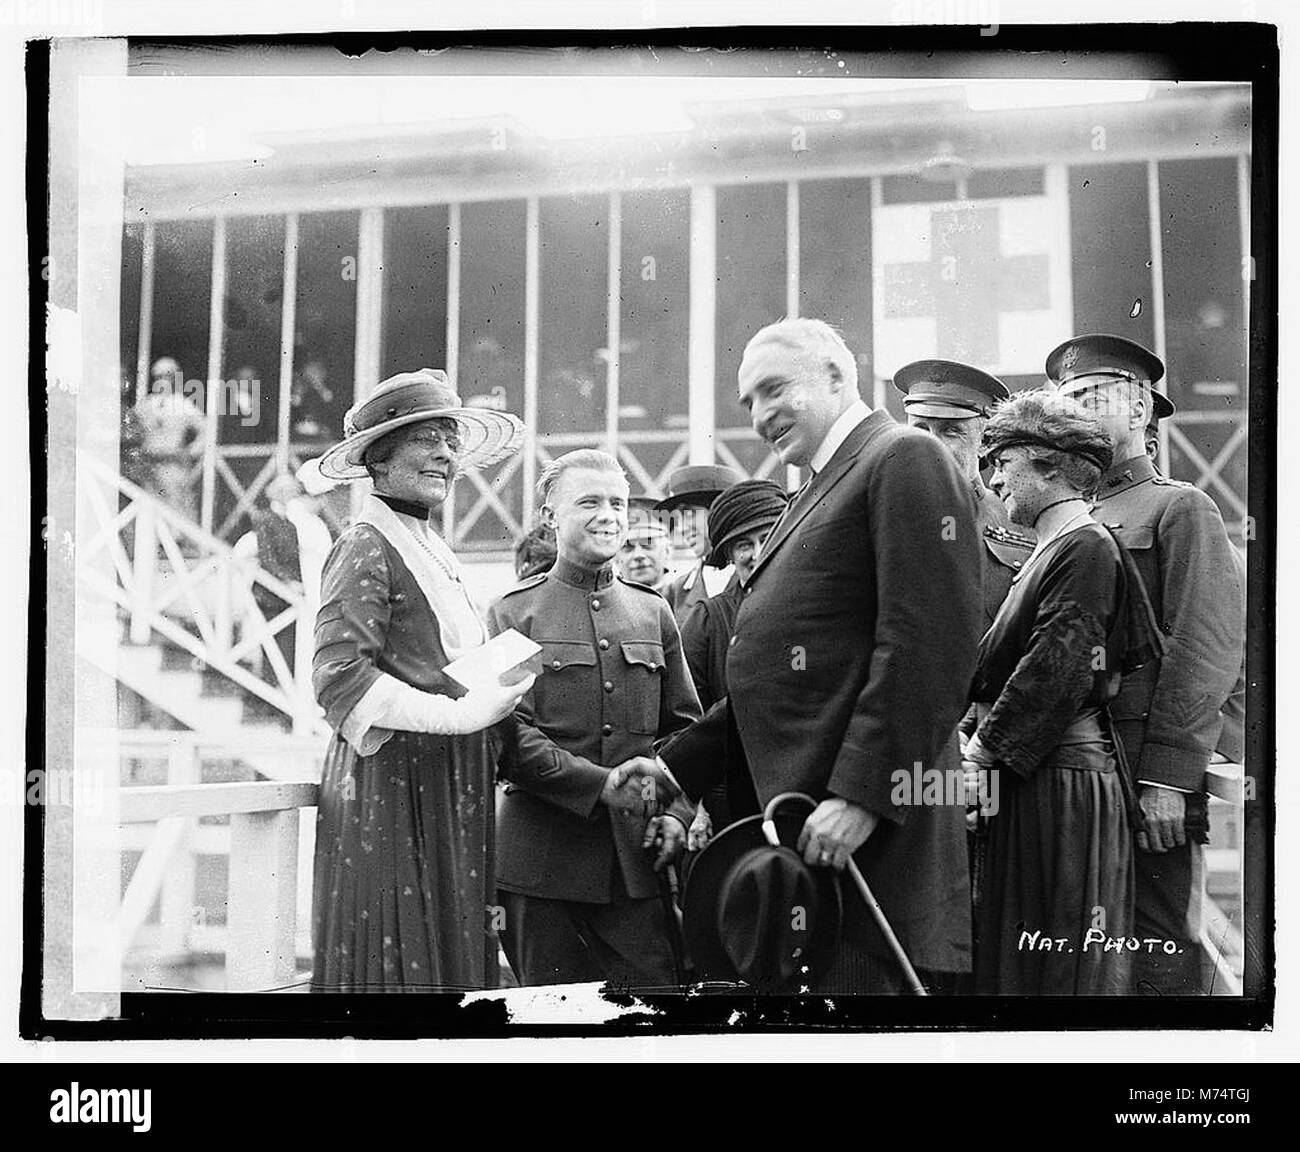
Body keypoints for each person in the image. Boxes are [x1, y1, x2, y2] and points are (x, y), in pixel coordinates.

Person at [640, 318, 982, 994]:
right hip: (812, 845)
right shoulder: (820, 486)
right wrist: (673, 768)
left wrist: (864, 797)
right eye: (749, 402)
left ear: (834, 375)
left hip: (868, 854)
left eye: (774, 390)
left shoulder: (902, 457)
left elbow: (930, 648)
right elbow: (787, 676)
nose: (759, 416)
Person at [309, 368, 530, 992]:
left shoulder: (431, 546)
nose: (445, 455)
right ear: (378, 458)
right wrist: (456, 716)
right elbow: (338, 675)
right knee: (401, 965)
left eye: (451, 442)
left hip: (449, 783)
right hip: (394, 788)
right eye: (426, 439)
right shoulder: (364, 544)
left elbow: (441, 661)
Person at [1048, 334, 1244, 996]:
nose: (1074, 412)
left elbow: (1203, 650)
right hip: (1074, 770)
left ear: (1139, 411)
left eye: (1090, 397)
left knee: (1158, 955)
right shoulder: (1067, 516)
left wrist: (1168, 777)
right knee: (1078, 950)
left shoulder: (1179, 508)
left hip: (1142, 771)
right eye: (1066, 401)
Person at [964, 389, 1163, 995]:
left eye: (1004, 462)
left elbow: (1057, 666)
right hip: (1041, 776)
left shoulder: (1084, 546)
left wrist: (979, 759)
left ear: (1048, 465)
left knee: (1057, 979)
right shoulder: (1058, 547)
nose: (994, 479)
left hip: (1060, 785)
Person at [486, 450, 701, 990]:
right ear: (550, 516)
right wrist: (599, 785)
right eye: (589, 503)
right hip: (540, 867)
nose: (608, 515)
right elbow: (507, 734)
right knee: (551, 1020)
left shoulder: (653, 610)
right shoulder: (512, 612)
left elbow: (684, 731)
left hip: (637, 864)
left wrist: (677, 815)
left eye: (617, 504)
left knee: (655, 1009)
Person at [678, 479, 787, 843]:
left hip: (804, 802)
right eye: (743, 544)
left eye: (768, 537)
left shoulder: (818, 608)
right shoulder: (708, 620)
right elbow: (685, 719)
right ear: (729, 554)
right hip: (730, 807)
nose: (757, 553)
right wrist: (695, 806)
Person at [893, 359, 1036, 631]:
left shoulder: (1019, 520)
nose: (932, 444)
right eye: (920, 429)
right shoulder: (882, 516)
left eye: (950, 432)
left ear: (984, 443)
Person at [655, 464, 743, 625]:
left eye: (689, 514)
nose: (682, 528)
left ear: (720, 512)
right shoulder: (675, 593)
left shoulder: (758, 577)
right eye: (677, 520)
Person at [614, 495, 673, 592]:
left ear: (667, 551)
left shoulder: (686, 599)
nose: (638, 555)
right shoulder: (604, 601)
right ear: (615, 558)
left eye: (647, 545)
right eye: (627, 548)